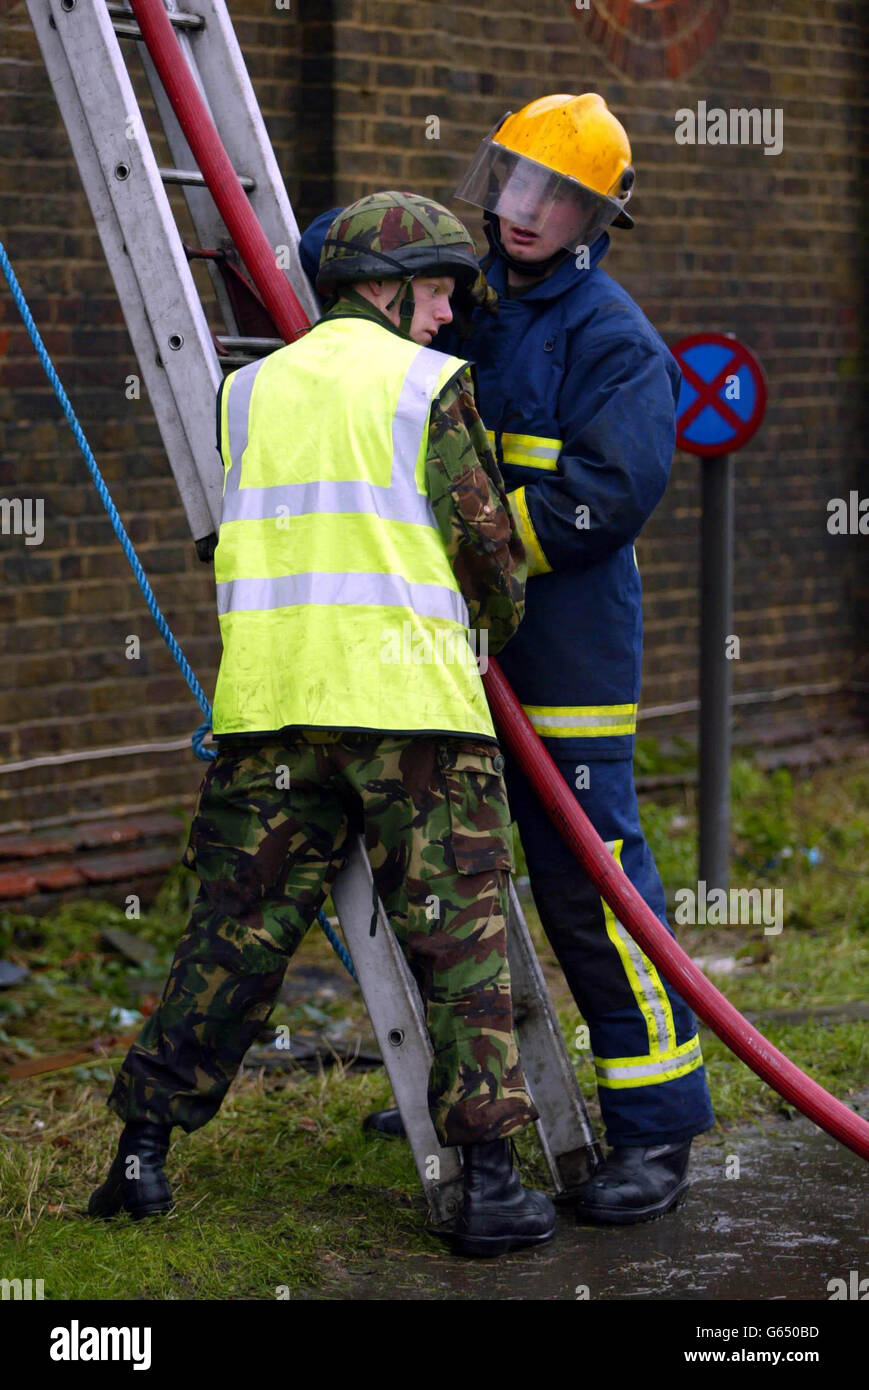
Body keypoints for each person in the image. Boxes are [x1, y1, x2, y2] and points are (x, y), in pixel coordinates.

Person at [88, 191, 556, 1258]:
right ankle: (488, 1186)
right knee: (459, 949)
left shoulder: (245, 391)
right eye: (436, 291)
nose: (446, 315)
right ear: (387, 290)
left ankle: (139, 1156)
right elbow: (491, 553)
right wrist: (499, 613)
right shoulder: (428, 387)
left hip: (272, 713)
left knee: (231, 939)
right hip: (413, 722)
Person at [360, 95, 716, 1224]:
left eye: (554, 195)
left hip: (560, 661)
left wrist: (471, 552)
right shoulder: (463, 308)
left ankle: (657, 1130)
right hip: (453, 652)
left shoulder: (613, 337)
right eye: (515, 183)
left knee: (588, 886)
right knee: (448, 875)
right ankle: (472, 1093)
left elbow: (603, 498)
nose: (523, 211)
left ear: (591, 213)